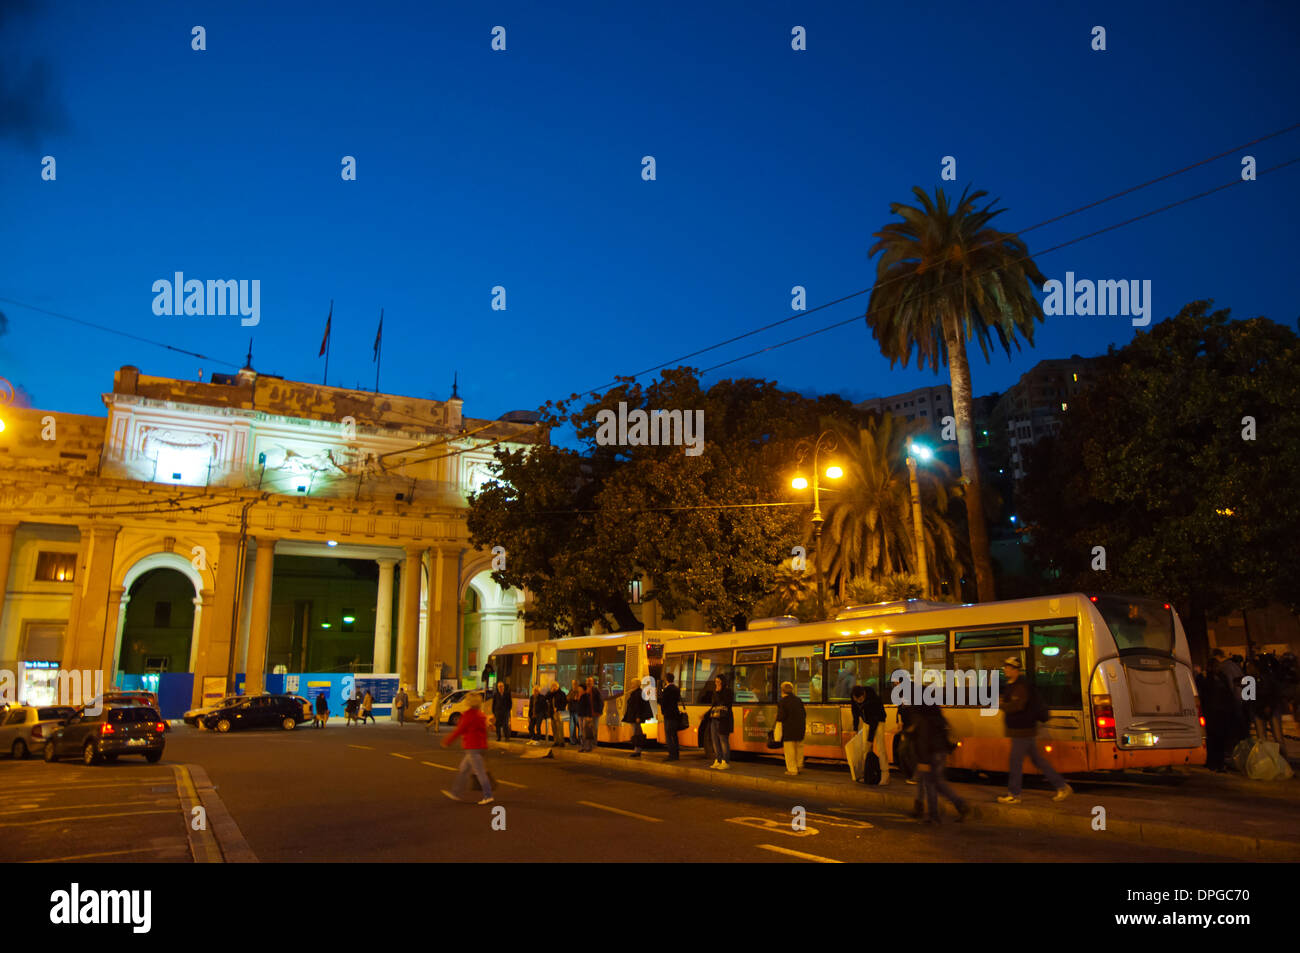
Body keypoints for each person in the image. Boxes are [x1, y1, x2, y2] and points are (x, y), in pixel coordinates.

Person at [997, 657, 1071, 804]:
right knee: (1037, 760)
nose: (1005, 669)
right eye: (1005, 667)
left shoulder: (1020, 686)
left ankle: (1014, 794)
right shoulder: (1012, 684)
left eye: (1007, 667)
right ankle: (1062, 786)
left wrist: (1002, 705)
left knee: (1015, 762)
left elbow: (1017, 706)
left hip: (1023, 730)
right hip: (1022, 730)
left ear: (1014, 669)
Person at [910, 704, 969, 823]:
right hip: (941, 753)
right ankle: (958, 805)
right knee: (938, 783)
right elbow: (946, 735)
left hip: (930, 755)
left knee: (931, 785)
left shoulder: (923, 719)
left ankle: (937, 815)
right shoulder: (938, 717)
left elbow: (923, 741)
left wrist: (923, 761)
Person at [440, 693, 494, 805]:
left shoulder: (468, 715)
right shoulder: (481, 714)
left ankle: (488, 795)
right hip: (480, 746)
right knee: (464, 770)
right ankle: (455, 793)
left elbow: (459, 730)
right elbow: (487, 728)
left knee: (479, 772)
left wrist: (447, 741)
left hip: (472, 747)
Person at [850, 684, 889, 784]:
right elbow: (855, 713)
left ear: (864, 694)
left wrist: (870, 740)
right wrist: (855, 729)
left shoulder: (873, 699)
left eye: (861, 699)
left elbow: (874, 722)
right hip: (866, 722)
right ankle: (867, 775)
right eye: (857, 700)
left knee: (880, 748)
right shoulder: (854, 697)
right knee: (865, 749)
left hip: (879, 721)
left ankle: (885, 775)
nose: (859, 702)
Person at [700, 674, 734, 769]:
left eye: (718, 682)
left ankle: (725, 761)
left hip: (724, 719)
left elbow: (725, 703)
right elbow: (713, 706)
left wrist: (718, 692)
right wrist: (705, 715)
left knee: (723, 740)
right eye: (716, 682)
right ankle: (718, 759)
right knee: (715, 741)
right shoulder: (715, 692)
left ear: (723, 682)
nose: (716, 684)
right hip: (714, 719)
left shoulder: (728, 691)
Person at [776, 681, 806, 775]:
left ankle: (792, 769)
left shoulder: (783, 702)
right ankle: (799, 766)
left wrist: (776, 717)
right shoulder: (798, 700)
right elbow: (804, 714)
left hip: (789, 729)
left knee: (790, 750)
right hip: (800, 728)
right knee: (799, 749)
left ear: (782, 691)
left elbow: (781, 717)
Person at [622, 680, 652, 757]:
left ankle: (637, 750)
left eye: (632, 683)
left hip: (635, 717)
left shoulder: (637, 693)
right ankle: (637, 750)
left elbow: (638, 706)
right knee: (637, 733)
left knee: (637, 733)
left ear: (636, 685)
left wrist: (638, 717)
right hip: (634, 716)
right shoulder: (637, 692)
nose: (631, 685)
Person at [659, 673, 683, 761]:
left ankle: (671, 755)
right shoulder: (676, 689)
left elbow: (663, 702)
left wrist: (663, 711)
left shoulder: (667, 689)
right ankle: (676, 754)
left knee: (668, 735)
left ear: (666, 679)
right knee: (674, 735)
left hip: (668, 715)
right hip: (675, 713)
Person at [547, 682, 567, 747]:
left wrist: (558, 708)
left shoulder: (561, 693)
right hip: (552, 713)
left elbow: (564, 703)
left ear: (558, 686)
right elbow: (546, 698)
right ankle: (556, 741)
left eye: (555, 686)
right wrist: (551, 692)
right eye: (552, 686)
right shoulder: (551, 694)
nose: (554, 687)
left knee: (560, 727)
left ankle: (561, 742)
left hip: (559, 712)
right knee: (554, 728)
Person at [585, 677, 603, 749]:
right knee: (587, 729)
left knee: (594, 729)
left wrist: (599, 711)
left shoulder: (595, 690)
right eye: (587, 681)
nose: (588, 682)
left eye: (590, 681)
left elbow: (601, 701)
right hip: (587, 713)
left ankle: (594, 743)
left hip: (595, 713)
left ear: (592, 682)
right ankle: (588, 744)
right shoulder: (585, 690)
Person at [567, 681, 584, 747]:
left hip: (577, 711)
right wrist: (572, 698)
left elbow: (576, 698)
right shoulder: (572, 691)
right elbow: (568, 698)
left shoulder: (578, 691)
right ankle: (573, 740)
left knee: (579, 726)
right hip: (572, 711)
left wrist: (572, 698)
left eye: (574, 684)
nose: (573, 685)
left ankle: (579, 740)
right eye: (572, 684)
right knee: (572, 726)